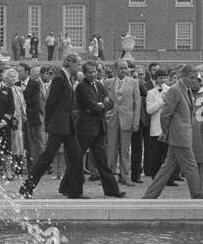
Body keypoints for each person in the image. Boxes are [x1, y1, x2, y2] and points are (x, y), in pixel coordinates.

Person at [20, 54, 85, 199]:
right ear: (70, 63)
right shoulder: (59, 78)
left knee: (76, 155)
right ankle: (27, 187)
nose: (79, 67)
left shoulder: (66, 78)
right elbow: (50, 103)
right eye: (78, 64)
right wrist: (48, 124)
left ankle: (72, 190)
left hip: (66, 125)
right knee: (47, 157)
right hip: (58, 126)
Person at [143, 64, 203, 199]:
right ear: (184, 76)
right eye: (192, 78)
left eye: (196, 78)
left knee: (166, 169)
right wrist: (166, 132)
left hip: (181, 135)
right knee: (191, 167)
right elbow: (165, 114)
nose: (195, 80)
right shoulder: (175, 90)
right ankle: (198, 196)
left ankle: (149, 196)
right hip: (179, 136)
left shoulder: (185, 89)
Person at [75, 60, 125, 197]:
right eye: (90, 72)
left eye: (94, 72)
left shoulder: (99, 85)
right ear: (84, 73)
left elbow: (111, 103)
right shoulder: (81, 87)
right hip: (85, 129)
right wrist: (101, 104)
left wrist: (101, 105)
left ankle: (112, 190)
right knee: (77, 158)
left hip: (99, 128)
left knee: (102, 161)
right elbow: (93, 106)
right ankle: (71, 188)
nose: (93, 74)